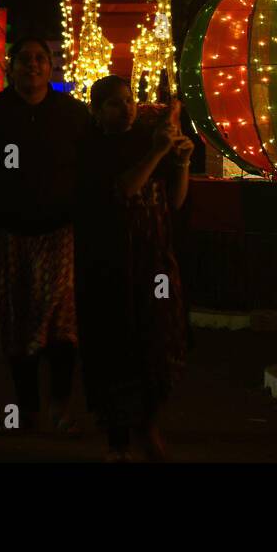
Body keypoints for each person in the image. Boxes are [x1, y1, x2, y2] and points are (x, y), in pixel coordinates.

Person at [0, 36, 90, 434]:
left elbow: (91, 173)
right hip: (5, 233)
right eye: (25, 59)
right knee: (17, 323)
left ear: (51, 67)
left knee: (62, 322)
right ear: (11, 68)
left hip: (60, 233)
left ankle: (61, 405)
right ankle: (27, 406)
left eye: (40, 59)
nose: (33, 65)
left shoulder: (74, 115)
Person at [75, 76, 192, 462]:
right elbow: (124, 190)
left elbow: (173, 201)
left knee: (158, 338)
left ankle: (149, 421)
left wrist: (182, 162)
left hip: (153, 256)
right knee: (115, 343)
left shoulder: (149, 140)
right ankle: (118, 439)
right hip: (110, 259)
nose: (125, 108)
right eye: (113, 103)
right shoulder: (92, 149)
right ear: (96, 111)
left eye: (129, 100)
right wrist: (157, 154)